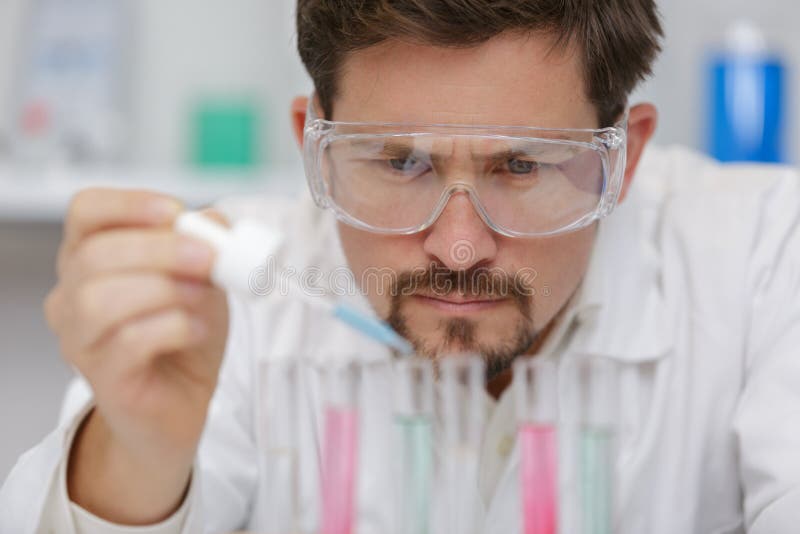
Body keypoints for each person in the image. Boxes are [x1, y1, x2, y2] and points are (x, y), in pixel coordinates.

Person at [2, 0, 800, 532]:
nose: (458, 249)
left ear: (624, 161)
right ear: (312, 144)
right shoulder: (233, 289)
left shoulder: (765, 255)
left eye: (521, 166)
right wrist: (138, 454)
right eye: (398, 163)